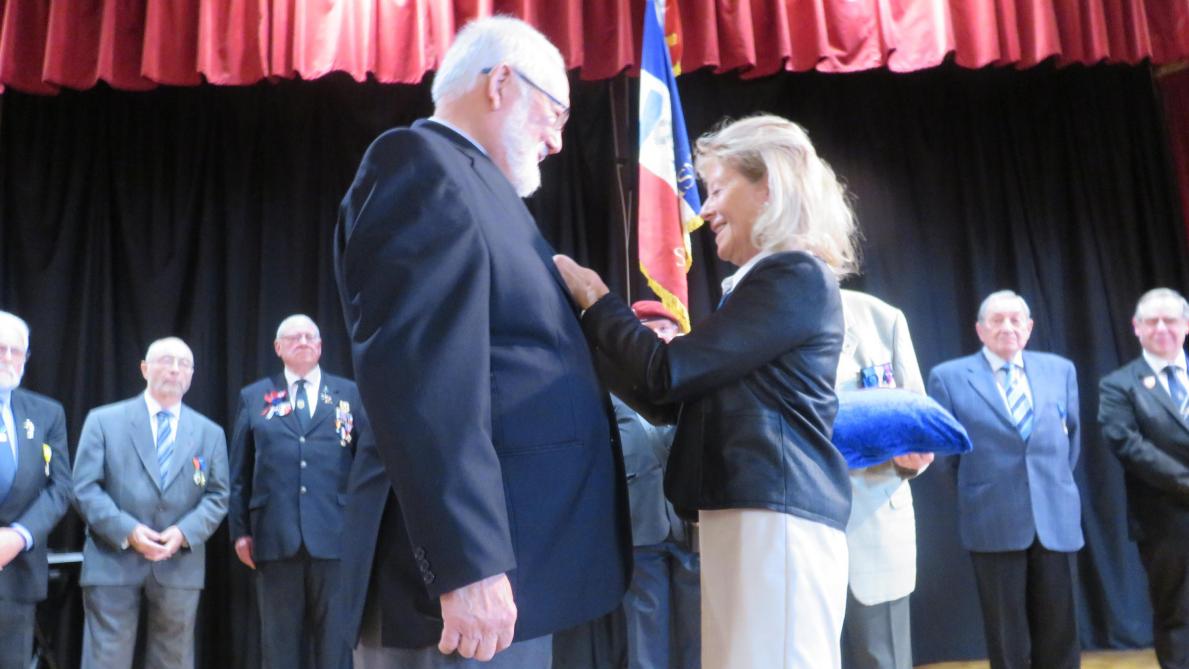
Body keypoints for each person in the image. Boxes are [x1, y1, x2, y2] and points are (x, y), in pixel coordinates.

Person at [333, 16, 631, 669]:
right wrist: (466, 564)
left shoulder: (478, 184)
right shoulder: (419, 165)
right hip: (456, 589)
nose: (557, 140)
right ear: (500, 82)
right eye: (554, 113)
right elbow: (421, 382)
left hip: (505, 569)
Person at [555, 113, 859, 669]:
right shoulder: (767, 283)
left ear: (769, 185)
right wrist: (585, 332)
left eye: (717, 189)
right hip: (746, 512)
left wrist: (598, 301)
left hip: (776, 518)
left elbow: (670, 372)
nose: (705, 210)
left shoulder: (791, 275)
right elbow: (667, 397)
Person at [927, 290, 1082, 669]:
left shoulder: (1060, 370)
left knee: (1060, 633)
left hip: (1054, 518)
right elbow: (945, 457)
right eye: (997, 320)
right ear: (980, 330)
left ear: (1029, 329)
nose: (1007, 327)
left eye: (1016, 320)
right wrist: (981, 494)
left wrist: (1048, 486)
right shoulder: (948, 377)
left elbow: (1072, 441)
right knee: (1007, 637)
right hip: (992, 519)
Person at [72, 337, 229, 669]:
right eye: (166, 360)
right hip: (112, 560)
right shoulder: (103, 421)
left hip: (179, 564)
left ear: (192, 375)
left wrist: (184, 533)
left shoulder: (209, 432)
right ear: (144, 368)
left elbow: (218, 495)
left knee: (172, 661)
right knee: (105, 661)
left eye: (183, 364)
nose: (175, 369)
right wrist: (128, 530)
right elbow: (84, 487)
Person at [229, 314, 371, 668]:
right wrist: (240, 532)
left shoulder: (348, 394)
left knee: (336, 649)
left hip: (336, 538)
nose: (304, 342)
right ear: (279, 348)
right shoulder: (255, 396)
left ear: (321, 346)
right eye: (294, 337)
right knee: (279, 650)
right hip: (276, 539)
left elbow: (366, 465)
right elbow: (239, 473)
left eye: (311, 336)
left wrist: (364, 533)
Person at [835, 290, 932, 669]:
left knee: (883, 659)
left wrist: (913, 458)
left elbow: (918, 426)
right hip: (791, 529)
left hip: (873, 522)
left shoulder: (880, 318)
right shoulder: (754, 311)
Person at [1098, 287, 1189, 669]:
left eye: (1171, 320)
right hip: (1165, 521)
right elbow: (1127, 444)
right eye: (1152, 321)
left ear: (1185, 325)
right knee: (1177, 614)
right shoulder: (1118, 385)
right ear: (1137, 328)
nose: (1162, 328)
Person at [618, 300, 700, 669]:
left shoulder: (699, 376)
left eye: (665, 327)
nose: (658, 335)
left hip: (693, 519)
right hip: (639, 518)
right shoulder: (613, 382)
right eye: (647, 329)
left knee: (699, 619)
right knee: (645, 624)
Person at [0, 311, 71, 669]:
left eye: (18, 351)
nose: (9, 359)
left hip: (16, 570)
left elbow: (60, 487)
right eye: (1, 349)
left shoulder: (46, 413)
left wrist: (19, 536)